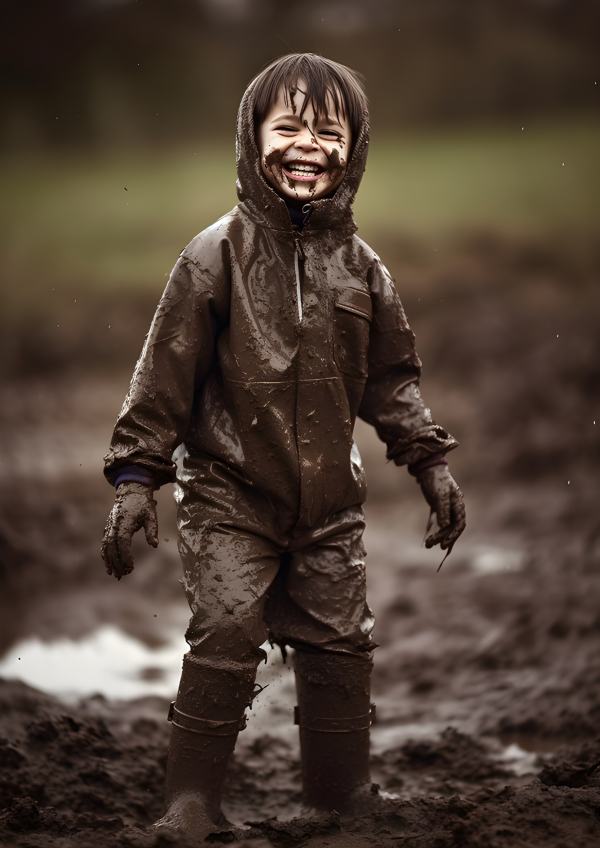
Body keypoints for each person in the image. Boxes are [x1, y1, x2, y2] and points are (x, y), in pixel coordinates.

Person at [101, 53, 466, 841]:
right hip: (230, 495)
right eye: (289, 126)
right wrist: (136, 480)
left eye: (330, 131)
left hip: (330, 506)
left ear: (355, 150)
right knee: (227, 629)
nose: (309, 145)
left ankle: (339, 794)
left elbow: (392, 382)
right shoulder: (214, 257)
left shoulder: (364, 271)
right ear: (252, 139)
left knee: (341, 640)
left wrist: (431, 463)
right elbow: (163, 376)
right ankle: (193, 799)